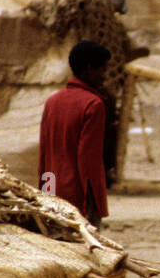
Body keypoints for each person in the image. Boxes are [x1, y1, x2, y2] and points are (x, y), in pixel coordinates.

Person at [39, 40, 112, 227]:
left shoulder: (52, 102)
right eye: (102, 70)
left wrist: (45, 194)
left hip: (53, 193)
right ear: (89, 69)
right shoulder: (93, 105)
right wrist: (91, 204)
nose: (104, 77)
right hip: (78, 197)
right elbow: (89, 160)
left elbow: (44, 155)